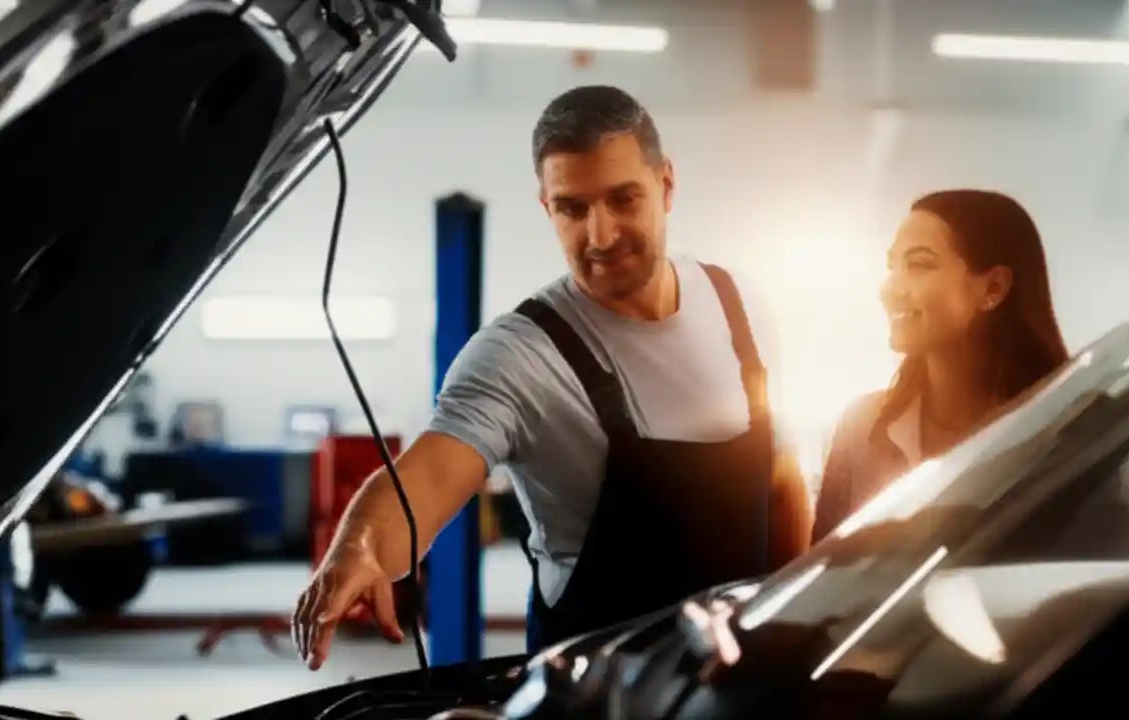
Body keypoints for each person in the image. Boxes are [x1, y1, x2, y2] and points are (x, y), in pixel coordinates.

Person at [292, 85, 812, 669]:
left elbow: (782, 479)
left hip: (741, 679)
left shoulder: (739, 304)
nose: (600, 235)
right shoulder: (517, 355)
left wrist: (802, 622)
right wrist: (360, 546)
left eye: (623, 200)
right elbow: (427, 478)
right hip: (596, 691)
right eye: (572, 208)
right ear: (546, 207)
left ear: (666, 186)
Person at [810, 190, 1129, 558]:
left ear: (993, 287)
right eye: (892, 266)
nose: (891, 289)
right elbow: (813, 582)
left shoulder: (1079, 431)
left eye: (918, 265)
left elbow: (1103, 587)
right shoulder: (861, 427)